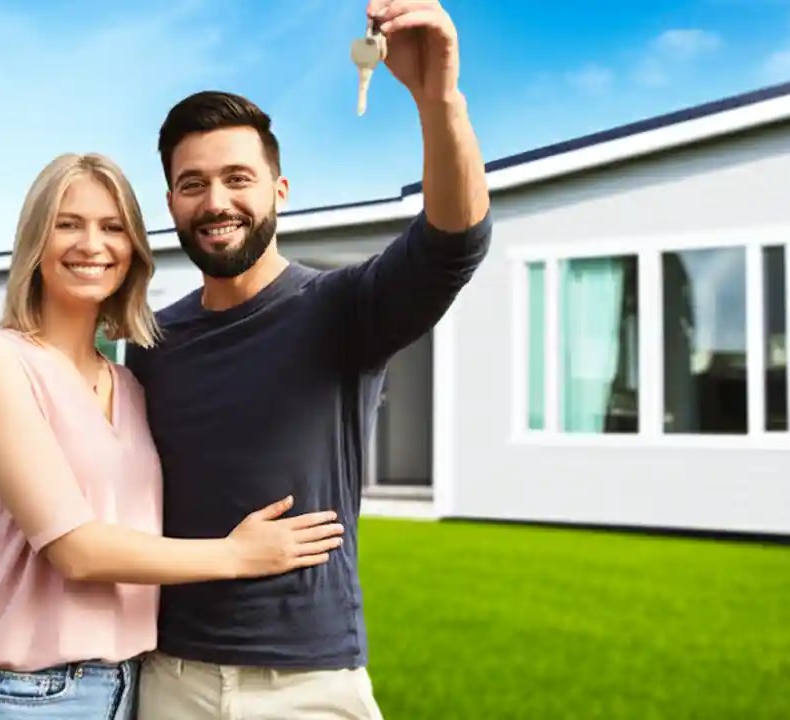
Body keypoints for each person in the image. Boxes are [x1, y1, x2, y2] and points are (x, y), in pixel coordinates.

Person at [122, 0, 492, 717]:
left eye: (238, 178)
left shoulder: (342, 308)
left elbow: (454, 243)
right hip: (169, 679)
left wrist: (439, 100)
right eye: (193, 184)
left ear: (280, 192)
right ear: (171, 203)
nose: (216, 201)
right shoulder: (151, 346)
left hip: (308, 687)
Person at [0, 152, 346, 720]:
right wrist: (236, 555)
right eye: (68, 224)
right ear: (35, 241)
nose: (91, 245)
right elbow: (75, 550)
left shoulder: (129, 385)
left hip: (128, 690)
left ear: (133, 250)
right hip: (17, 697)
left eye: (112, 227)